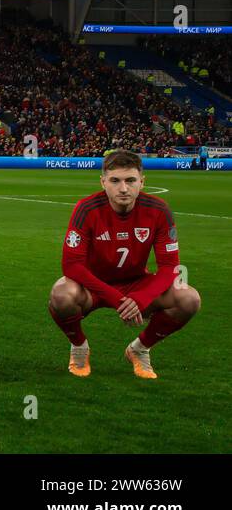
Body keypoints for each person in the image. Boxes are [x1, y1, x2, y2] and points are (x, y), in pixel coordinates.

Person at [47, 149, 200, 379]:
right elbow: (72, 266)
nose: (123, 188)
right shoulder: (86, 209)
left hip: (136, 283)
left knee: (189, 298)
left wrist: (140, 299)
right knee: (61, 294)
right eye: (115, 180)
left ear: (142, 181)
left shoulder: (159, 210)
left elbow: (170, 267)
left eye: (130, 180)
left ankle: (139, 349)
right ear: (103, 182)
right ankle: (79, 346)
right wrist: (119, 301)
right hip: (93, 286)